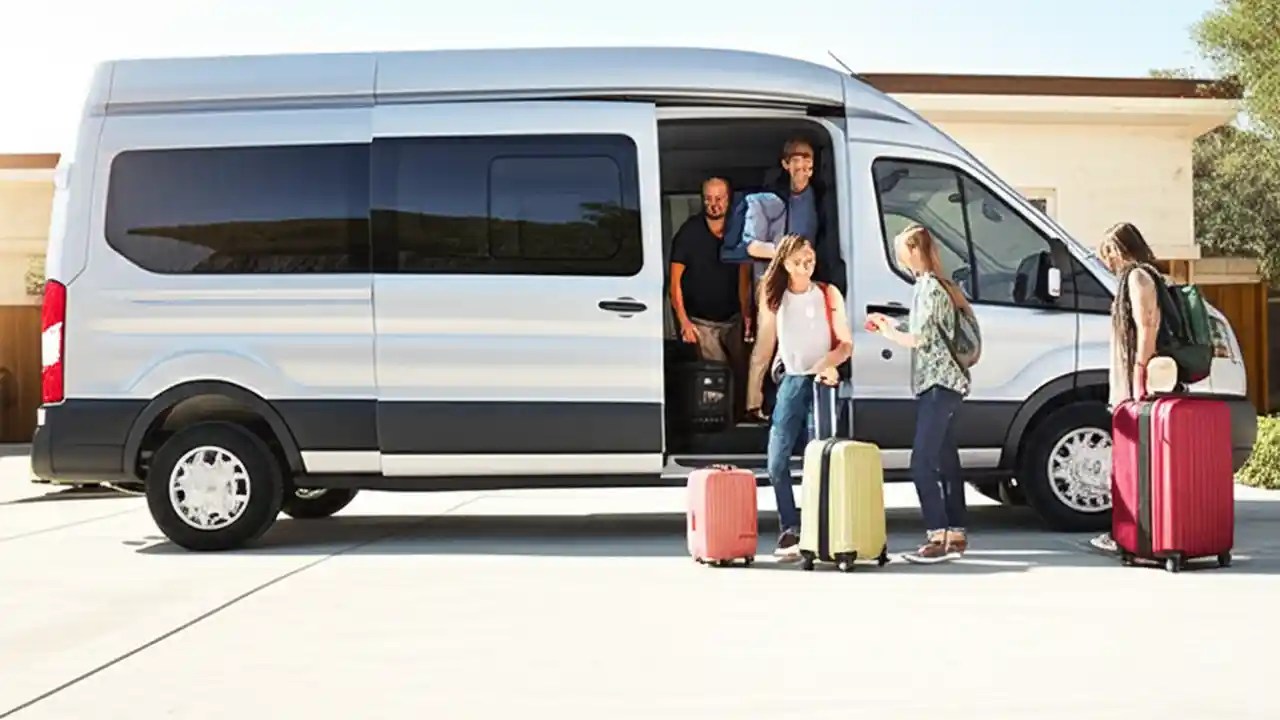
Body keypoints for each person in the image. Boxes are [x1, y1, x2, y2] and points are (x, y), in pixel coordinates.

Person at [868, 224, 972, 563]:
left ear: (914, 250)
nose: (900, 258)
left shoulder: (927, 287)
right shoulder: (945, 285)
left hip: (937, 384)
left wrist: (888, 331)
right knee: (946, 460)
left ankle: (936, 537)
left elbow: (919, 338)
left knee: (921, 463)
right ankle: (954, 533)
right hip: (952, 383)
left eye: (901, 251)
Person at [752, 234, 853, 558]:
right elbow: (765, 344)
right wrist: (753, 389)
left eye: (809, 260)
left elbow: (846, 343)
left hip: (821, 382)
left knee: (819, 460)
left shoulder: (827, 293)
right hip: (792, 382)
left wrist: (827, 363)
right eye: (798, 262)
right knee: (776, 462)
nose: (806, 266)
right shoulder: (774, 296)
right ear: (784, 263)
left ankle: (818, 528)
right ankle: (790, 527)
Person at [742, 136, 843, 423]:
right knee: (766, 343)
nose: (802, 165)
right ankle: (753, 405)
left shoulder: (822, 196)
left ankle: (800, 409)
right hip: (774, 279)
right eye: (796, 159)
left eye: (807, 159)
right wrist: (786, 254)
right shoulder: (768, 199)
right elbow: (751, 245)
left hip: (807, 281)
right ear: (785, 164)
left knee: (803, 345)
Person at [1087, 221, 1164, 555]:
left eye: (1107, 253)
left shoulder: (1137, 277)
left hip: (1134, 383)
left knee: (1129, 462)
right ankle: (1129, 530)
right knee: (1130, 460)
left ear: (1119, 250)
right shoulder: (1147, 275)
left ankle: (1127, 531)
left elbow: (1147, 325)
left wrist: (1139, 374)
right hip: (1131, 382)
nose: (1106, 262)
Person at [669, 177, 753, 416]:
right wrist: (684, 322)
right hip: (701, 322)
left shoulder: (738, 231)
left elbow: (744, 277)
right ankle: (721, 424)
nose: (714, 204)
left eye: (719, 198)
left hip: (734, 317)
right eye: (709, 199)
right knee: (718, 373)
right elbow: (674, 283)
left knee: (742, 371)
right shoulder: (689, 233)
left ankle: (742, 419)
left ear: (729, 199)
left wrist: (747, 314)